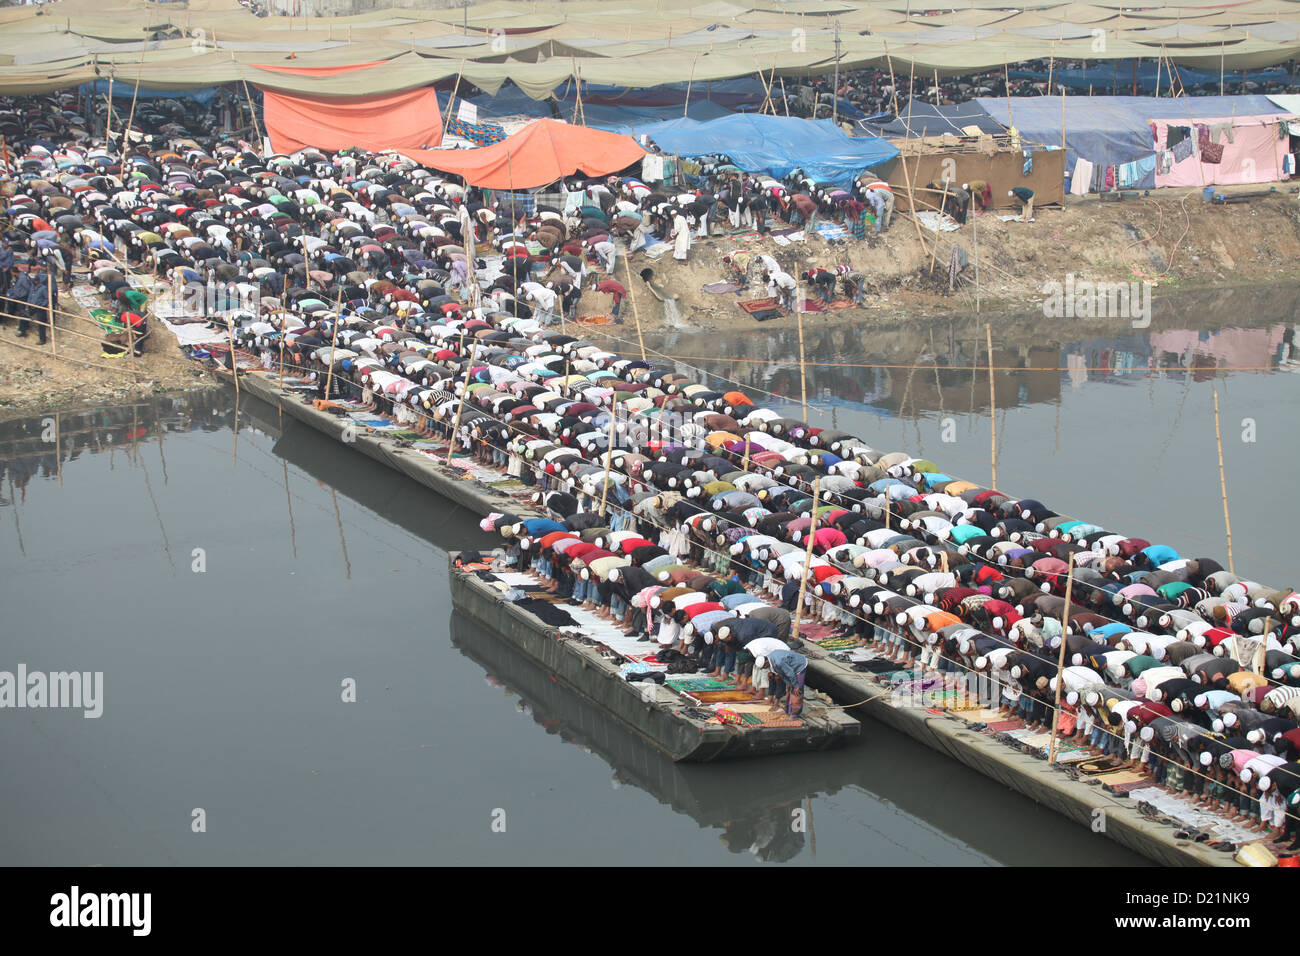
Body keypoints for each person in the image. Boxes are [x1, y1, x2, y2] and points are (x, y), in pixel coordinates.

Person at [766, 648, 808, 716]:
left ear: (766, 662)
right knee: (789, 690)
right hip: (790, 667)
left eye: (765, 666)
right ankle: (787, 710)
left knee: (796, 692)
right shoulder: (771, 660)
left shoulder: (779, 662)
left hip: (799, 665)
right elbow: (782, 673)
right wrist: (788, 683)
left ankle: (794, 715)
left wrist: (796, 686)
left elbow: (790, 673)